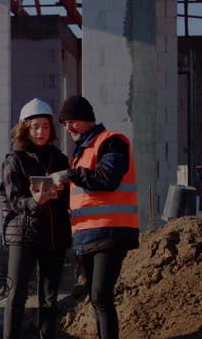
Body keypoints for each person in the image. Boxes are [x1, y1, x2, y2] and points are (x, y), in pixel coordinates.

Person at [53, 95, 139, 339]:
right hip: (89, 235)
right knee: (96, 297)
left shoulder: (111, 142)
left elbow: (107, 179)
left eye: (72, 121)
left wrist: (73, 175)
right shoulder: (82, 152)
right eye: (65, 123)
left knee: (101, 296)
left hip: (111, 231)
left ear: (87, 119)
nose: (68, 127)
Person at [0, 98, 71, 339]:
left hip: (54, 236)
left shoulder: (60, 159)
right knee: (17, 295)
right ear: (24, 129)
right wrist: (37, 201)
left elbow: (68, 200)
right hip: (23, 236)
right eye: (35, 127)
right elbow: (15, 201)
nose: (41, 132)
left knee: (49, 299)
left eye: (46, 126)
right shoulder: (15, 160)